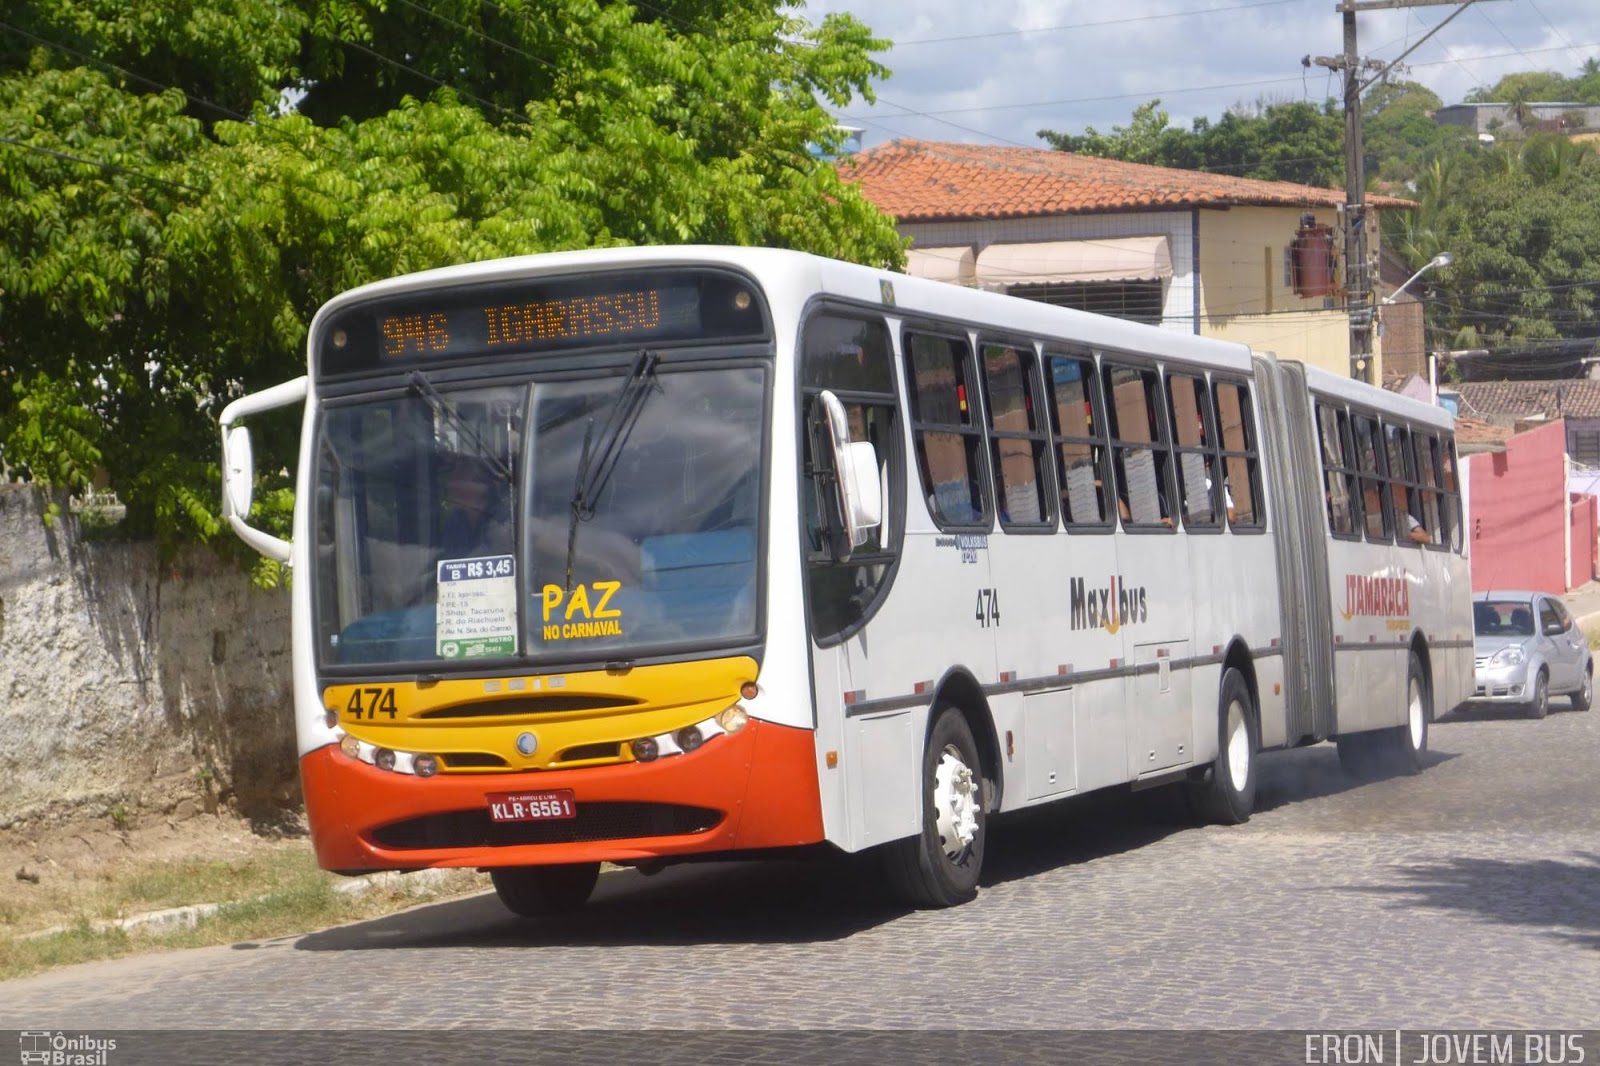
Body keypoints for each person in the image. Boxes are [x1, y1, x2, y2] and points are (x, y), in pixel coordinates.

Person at [440, 455, 514, 559]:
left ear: (481, 487)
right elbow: (447, 559)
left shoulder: (503, 521)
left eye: (459, 478)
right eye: (453, 477)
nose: (450, 484)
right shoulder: (455, 522)